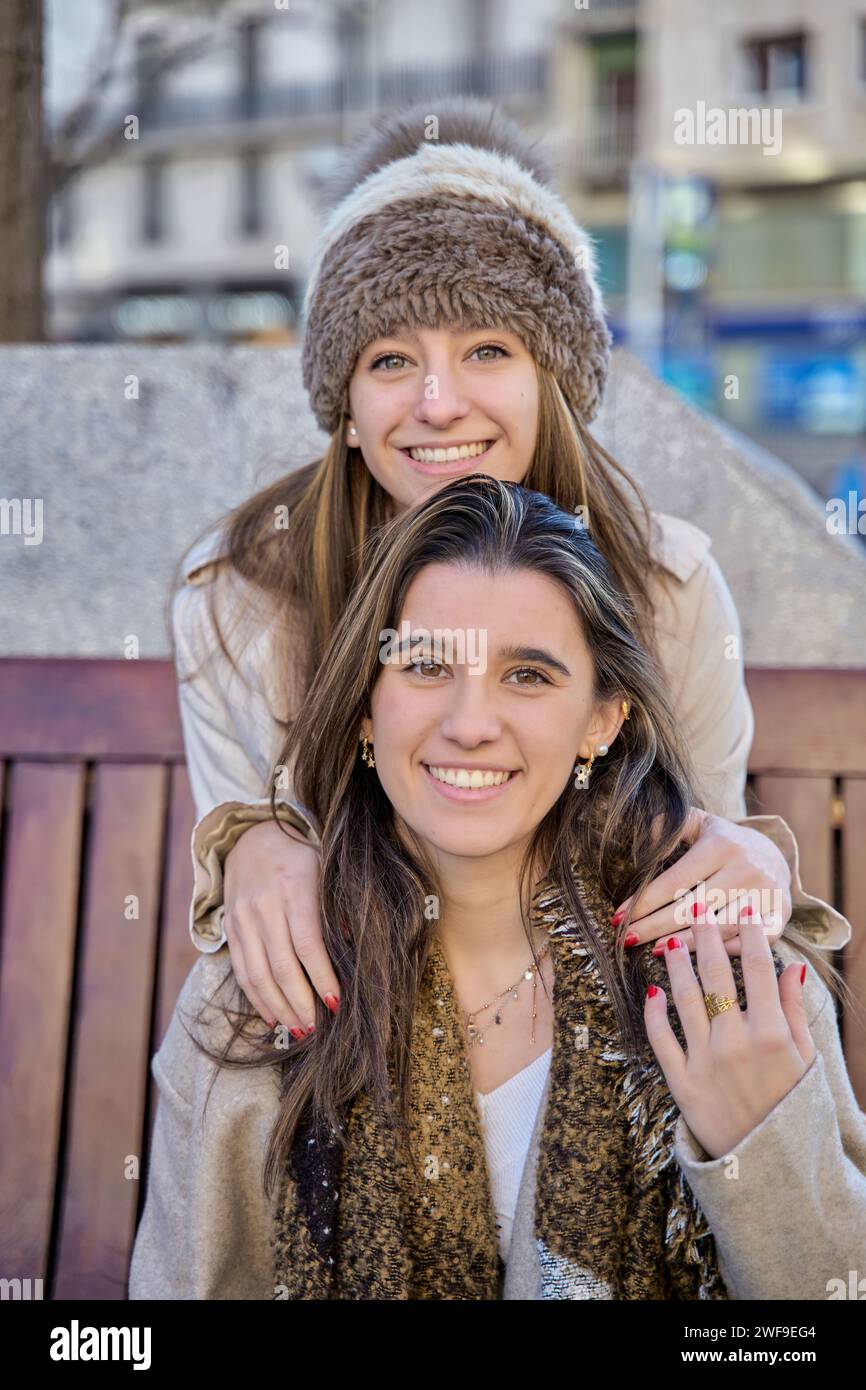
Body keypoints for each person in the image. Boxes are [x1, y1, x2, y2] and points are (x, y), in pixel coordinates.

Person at [171, 95, 849, 1042]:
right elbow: (254, 864)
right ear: (347, 408)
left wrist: (751, 865)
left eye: (488, 349)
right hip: (351, 1044)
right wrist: (250, 841)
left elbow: (701, 845)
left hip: (595, 1042)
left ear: (555, 379)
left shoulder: (669, 584)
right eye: (392, 359)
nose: (439, 404)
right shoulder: (243, 595)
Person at [129, 477, 866, 1301]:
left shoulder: (731, 979)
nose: (470, 722)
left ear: (602, 720)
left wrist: (760, 1153)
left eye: (528, 676)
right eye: (426, 665)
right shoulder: (259, 989)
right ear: (367, 709)